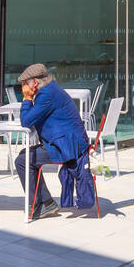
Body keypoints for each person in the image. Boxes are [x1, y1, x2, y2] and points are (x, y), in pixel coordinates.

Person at [14, 63, 89, 221]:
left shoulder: (46, 95)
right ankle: (45, 202)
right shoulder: (51, 89)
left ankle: (43, 204)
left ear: (34, 83)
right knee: (25, 155)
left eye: (24, 84)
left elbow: (26, 121)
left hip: (68, 146)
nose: (23, 87)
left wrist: (27, 98)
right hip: (67, 141)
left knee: (23, 160)